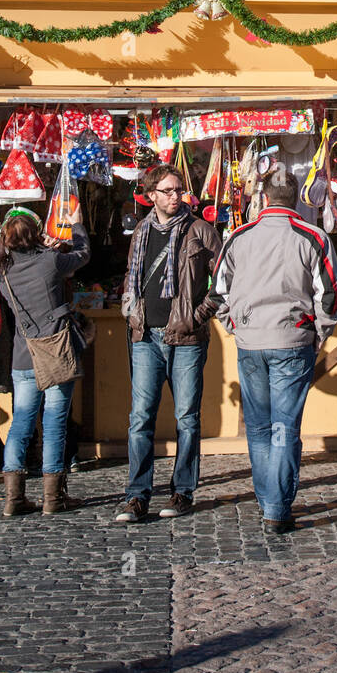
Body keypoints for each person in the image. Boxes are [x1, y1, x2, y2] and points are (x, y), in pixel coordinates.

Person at [212, 173, 337, 534]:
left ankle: (268, 501)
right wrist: (320, 332)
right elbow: (330, 294)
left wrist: (235, 326)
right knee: (284, 427)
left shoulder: (239, 237)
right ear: (297, 199)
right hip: (292, 339)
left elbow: (218, 291)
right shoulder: (313, 237)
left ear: (264, 198)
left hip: (251, 341)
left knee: (258, 426)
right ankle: (276, 507)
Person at [117, 163, 221, 523]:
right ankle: (137, 495)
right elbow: (131, 278)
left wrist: (197, 315)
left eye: (179, 190)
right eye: (168, 191)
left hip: (187, 337)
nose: (176, 196)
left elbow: (223, 282)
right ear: (151, 196)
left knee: (187, 418)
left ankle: (182, 491)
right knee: (140, 419)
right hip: (146, 335)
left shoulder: (200, 231)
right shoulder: (141, 233)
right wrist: (130, 313)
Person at [0, 203, 90, 516]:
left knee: (21, 423)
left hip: (24, 353)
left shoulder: (2, 270)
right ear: (35, 233)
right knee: (54, 422)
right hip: (56, 349)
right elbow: (82, 255)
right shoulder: (49, 261)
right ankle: (53, 498)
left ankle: (13, 498)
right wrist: (76, 228)